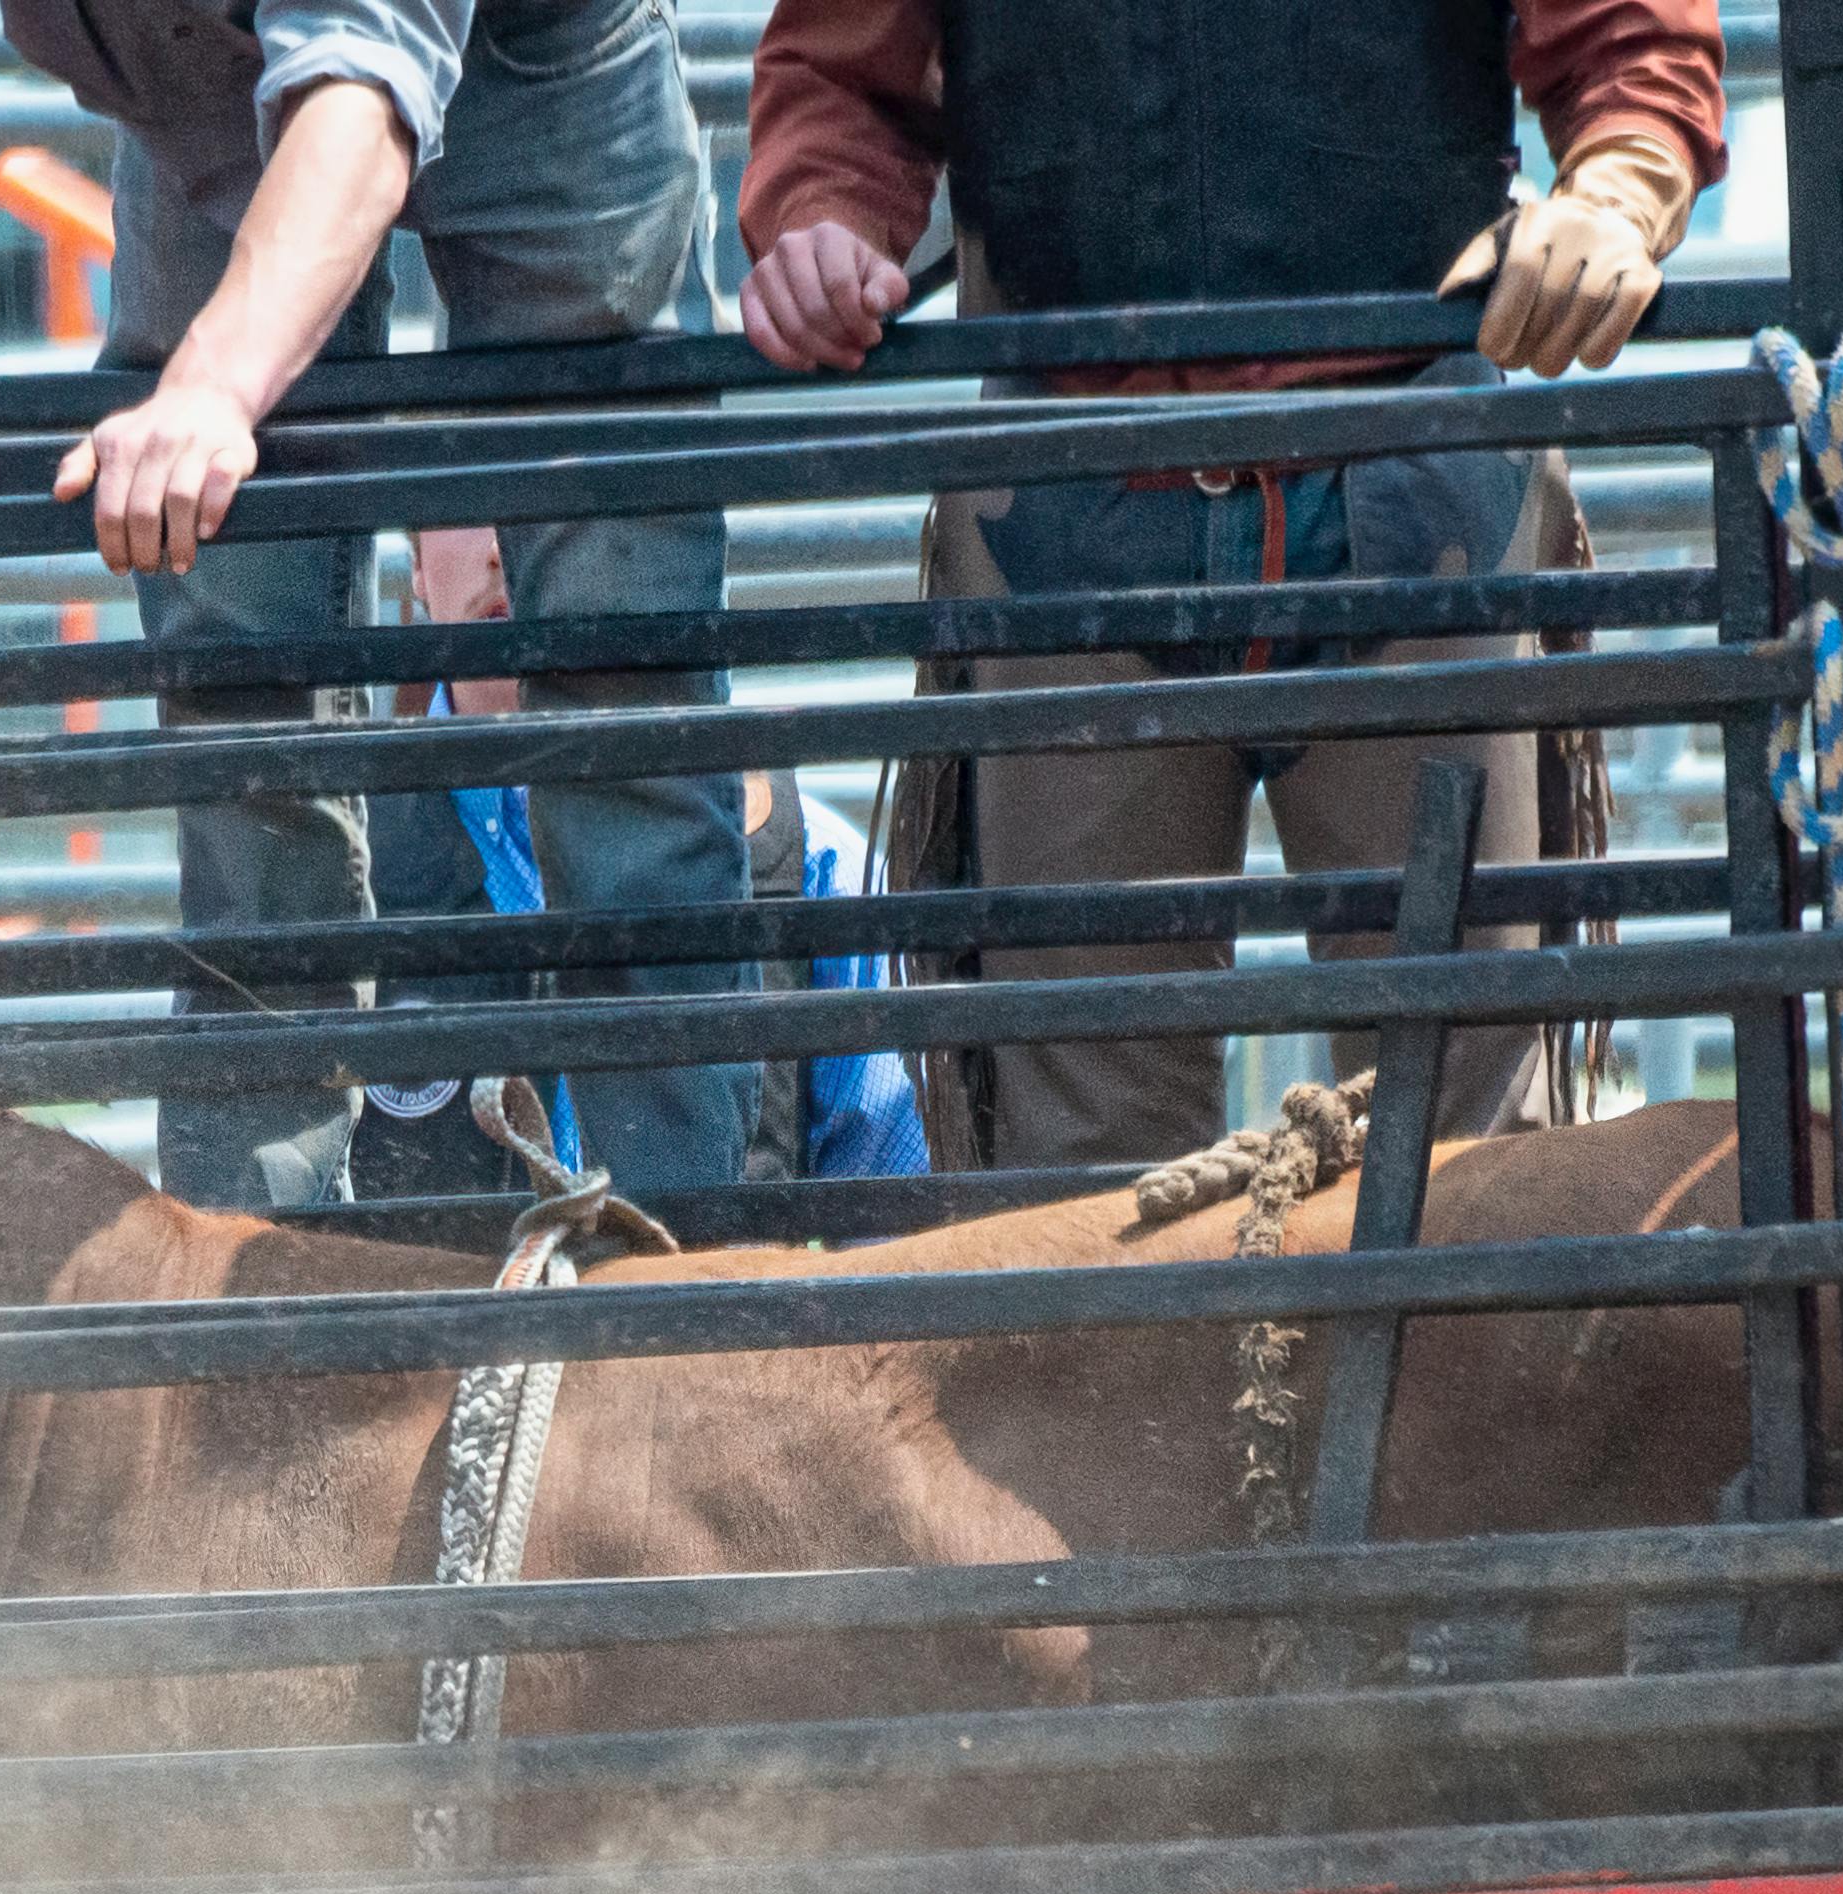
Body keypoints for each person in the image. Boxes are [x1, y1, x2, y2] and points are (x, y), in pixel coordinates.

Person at [0, 0, 760, 1220]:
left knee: (619, 656)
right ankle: (259, 1267)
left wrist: (208, 388)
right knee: (239, 687)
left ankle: (674, 1259)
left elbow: (363, 69)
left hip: (538, 59)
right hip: (203, 106)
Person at [732, 0, 1713, 1177]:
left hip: (1399, 479)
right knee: (1076, 1167)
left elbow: (1629, 38)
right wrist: (822, 222)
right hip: (1076, 489)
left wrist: (1619, 185)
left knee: (1468, 1135)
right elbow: (842, 79)